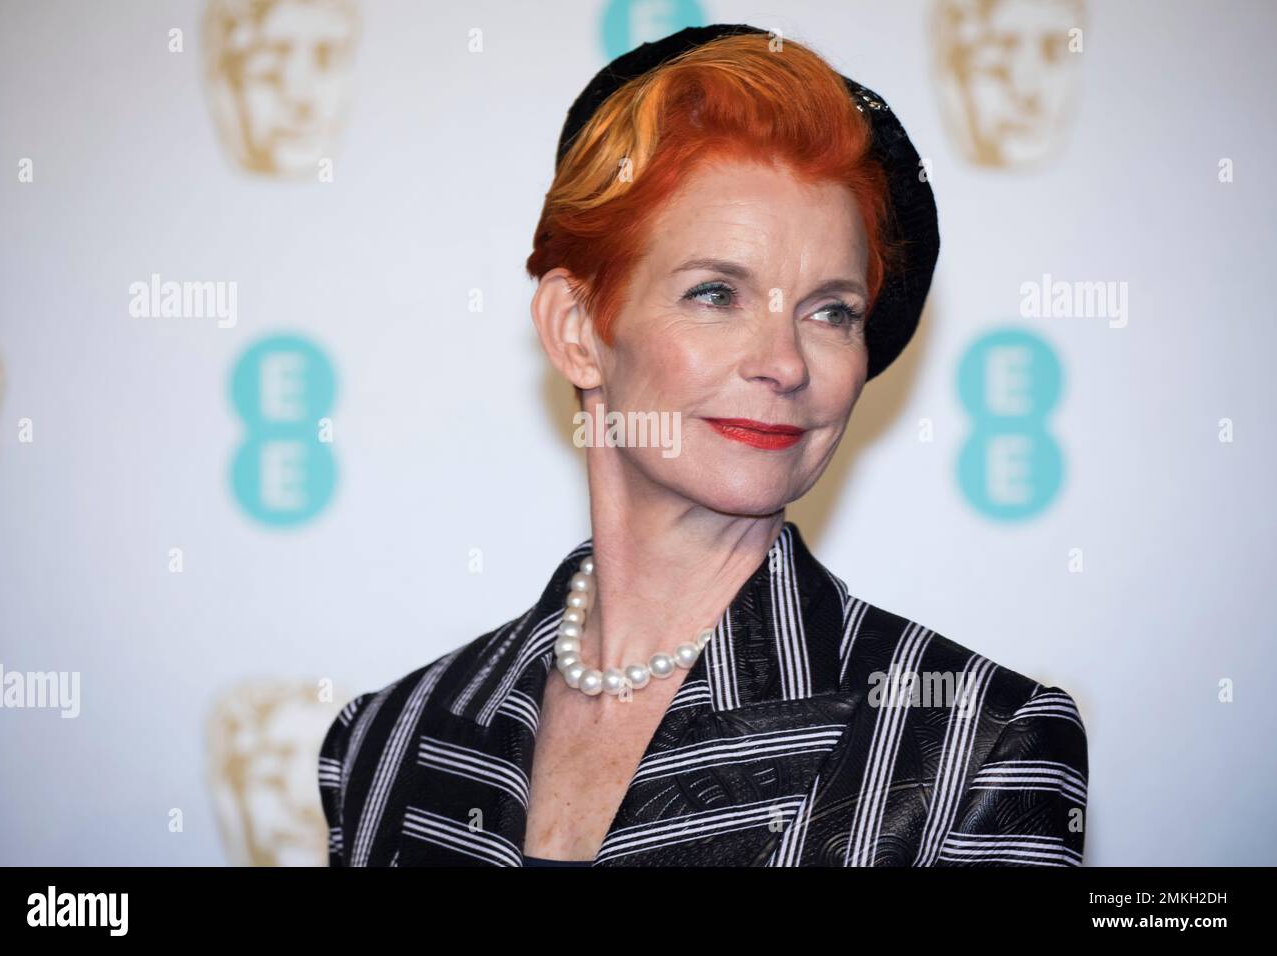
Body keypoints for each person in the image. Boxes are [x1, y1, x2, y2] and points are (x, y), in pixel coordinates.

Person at [318, 23, 1087, 867]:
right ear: (577, 329)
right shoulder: (383, 744)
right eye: (717, 293)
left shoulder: (976, 743)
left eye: (832, 311)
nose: (786, 363)